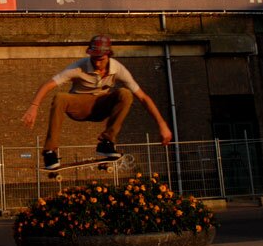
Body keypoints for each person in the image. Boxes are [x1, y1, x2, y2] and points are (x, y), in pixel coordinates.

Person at [21, 35, 173, 169]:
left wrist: (162, 124)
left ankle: (106, 142)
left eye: (100, 60)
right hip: (79, 107)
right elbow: (48, 84)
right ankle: (49, 151)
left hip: (101, 107)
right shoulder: (78, 67)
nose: (97, 64)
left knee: (125, 94)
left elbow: (143, 97)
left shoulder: (118, 69)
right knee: (60, 97)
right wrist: (34, 106)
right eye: (94, 59)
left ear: (108, 55)